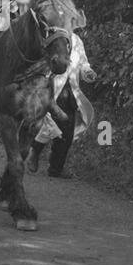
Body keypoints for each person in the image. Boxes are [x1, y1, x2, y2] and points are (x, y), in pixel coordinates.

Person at [27, 32, 97, 179]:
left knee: (68, 132)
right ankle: (35, 151)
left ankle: (55, 169)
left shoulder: (76, 40)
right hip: (52, 89)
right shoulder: (50, 36)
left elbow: (83, 63)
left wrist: (88, 72)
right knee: (51, 125)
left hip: (71, 90)